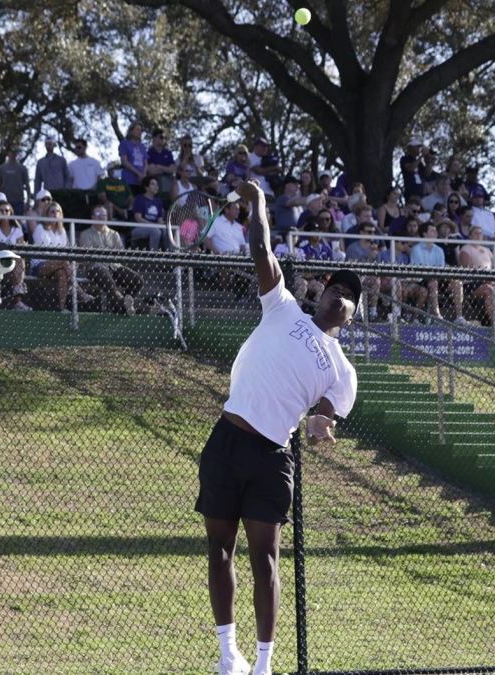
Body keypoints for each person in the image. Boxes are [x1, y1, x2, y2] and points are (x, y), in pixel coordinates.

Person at [198, 179, 359, 675]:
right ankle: (229, 655)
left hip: (272, 459)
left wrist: (319, 425)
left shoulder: (342, 369)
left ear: (351, 317)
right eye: (336, 288)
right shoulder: (282, 305)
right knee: (219, 550)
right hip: (227, 440)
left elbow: (326, 414)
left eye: (350, 298)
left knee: (264, 561)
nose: (341, 298)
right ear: (320, 290)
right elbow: (262, 245)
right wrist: (259, 203)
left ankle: (264, 665)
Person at [77, 204, 143, 314]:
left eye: (104, 214)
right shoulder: (85, 234)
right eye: (98, 214)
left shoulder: (114, 234)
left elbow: (120, 253)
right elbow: (89, 255)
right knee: (108, 281)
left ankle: (125, 304)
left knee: (137, 280)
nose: (101, 217)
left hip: (114, 267)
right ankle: (123, 306)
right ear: (92, 217)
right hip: (96, 268)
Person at [32, 200, 95, 311]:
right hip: (40, 265)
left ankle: (61, 308)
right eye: (52, 212)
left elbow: (64, 252)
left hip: (59, 266)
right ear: (46, 213)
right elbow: (46, 254)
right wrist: (64, 262)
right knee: (64, 263)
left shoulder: (62, 231)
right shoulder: (40, 229)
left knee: (62, 273)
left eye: (58, 211)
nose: (55, 214)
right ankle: (80, 292)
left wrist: (65, 262)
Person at [457, 225, 495, 327]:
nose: (478, 235)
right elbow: (464, 271)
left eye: (480, 233)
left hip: (489, 281)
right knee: (488, 289)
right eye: (476, 233)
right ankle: (494, 322)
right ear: (470, 235)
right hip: (472, 284)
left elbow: (494, 267)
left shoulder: (487, 250)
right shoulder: (466, 249)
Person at [130, 176, 167, 250]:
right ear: (146, 187)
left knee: (169, 231)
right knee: (155, 231)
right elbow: (138, 218)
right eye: (153, 184)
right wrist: (154, 225)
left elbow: (160, 220)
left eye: (157, 184)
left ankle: (171, 254)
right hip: (138, 227)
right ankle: (153, 255)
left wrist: (165, 225)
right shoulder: (139, 199)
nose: (156, 187)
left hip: (154, 226)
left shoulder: (158, 201)